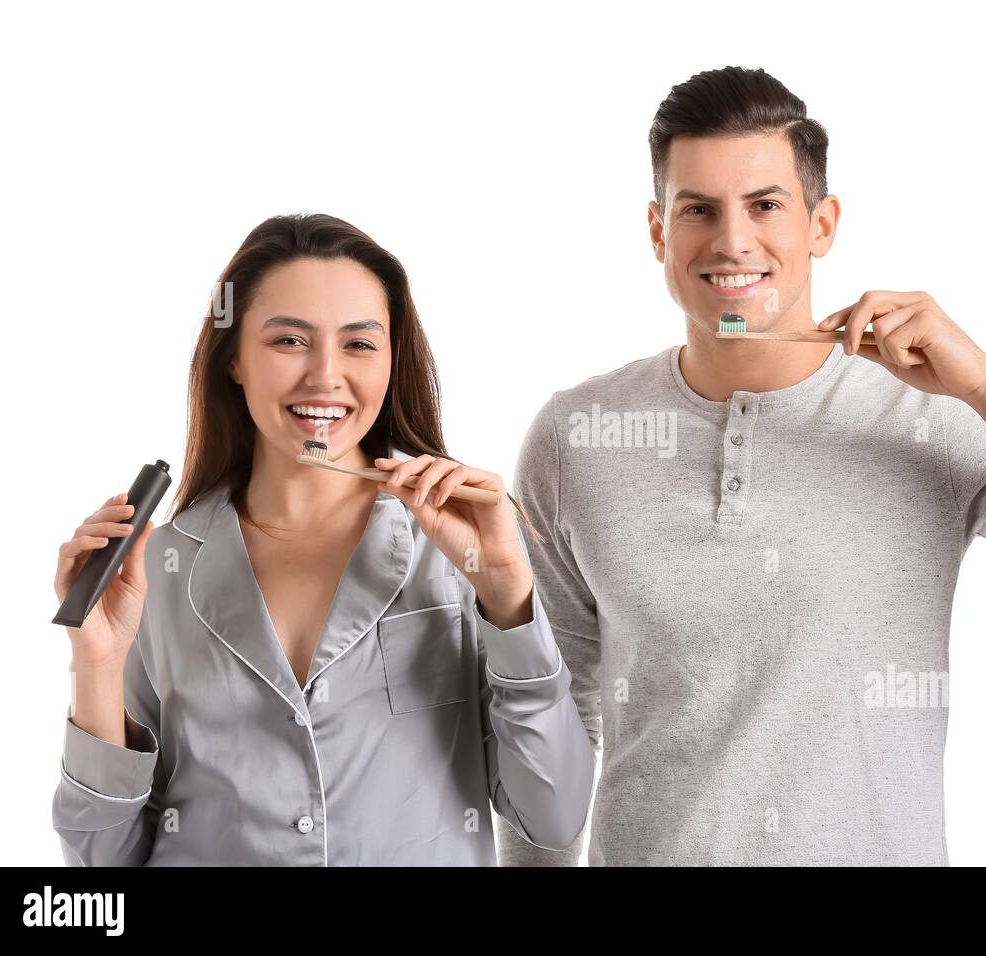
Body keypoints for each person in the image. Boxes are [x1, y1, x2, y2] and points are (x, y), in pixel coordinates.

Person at [496, 66, 986, 866]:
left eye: (765, 205)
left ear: (820, 225)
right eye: (699, 210)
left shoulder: (934, 416)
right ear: (659, 231)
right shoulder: (576, 436)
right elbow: (556, 713)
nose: (732, 241)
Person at [51, 213, 594, 865]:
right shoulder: (158, 568)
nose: (325, 377)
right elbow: (103, 864)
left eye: (359, 345)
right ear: (234, 360)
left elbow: (555, 816)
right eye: (289, 341)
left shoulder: (468, 548)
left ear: (394, 360)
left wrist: (508, 595)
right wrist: (97, 664)